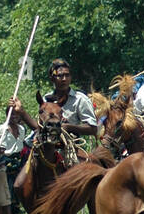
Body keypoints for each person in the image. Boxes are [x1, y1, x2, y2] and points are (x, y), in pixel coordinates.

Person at [8, 58, 99, 194]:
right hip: (43, 147)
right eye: (60, 75)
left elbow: (93, 128)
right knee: (18, 185)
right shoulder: (46, 99)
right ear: (52, 78)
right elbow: (38, 127)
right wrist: (21, 111)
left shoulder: (80, 99)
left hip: (68, 149)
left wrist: (68, 127)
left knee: (77, 187)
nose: (64, 79)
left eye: (67, 75)